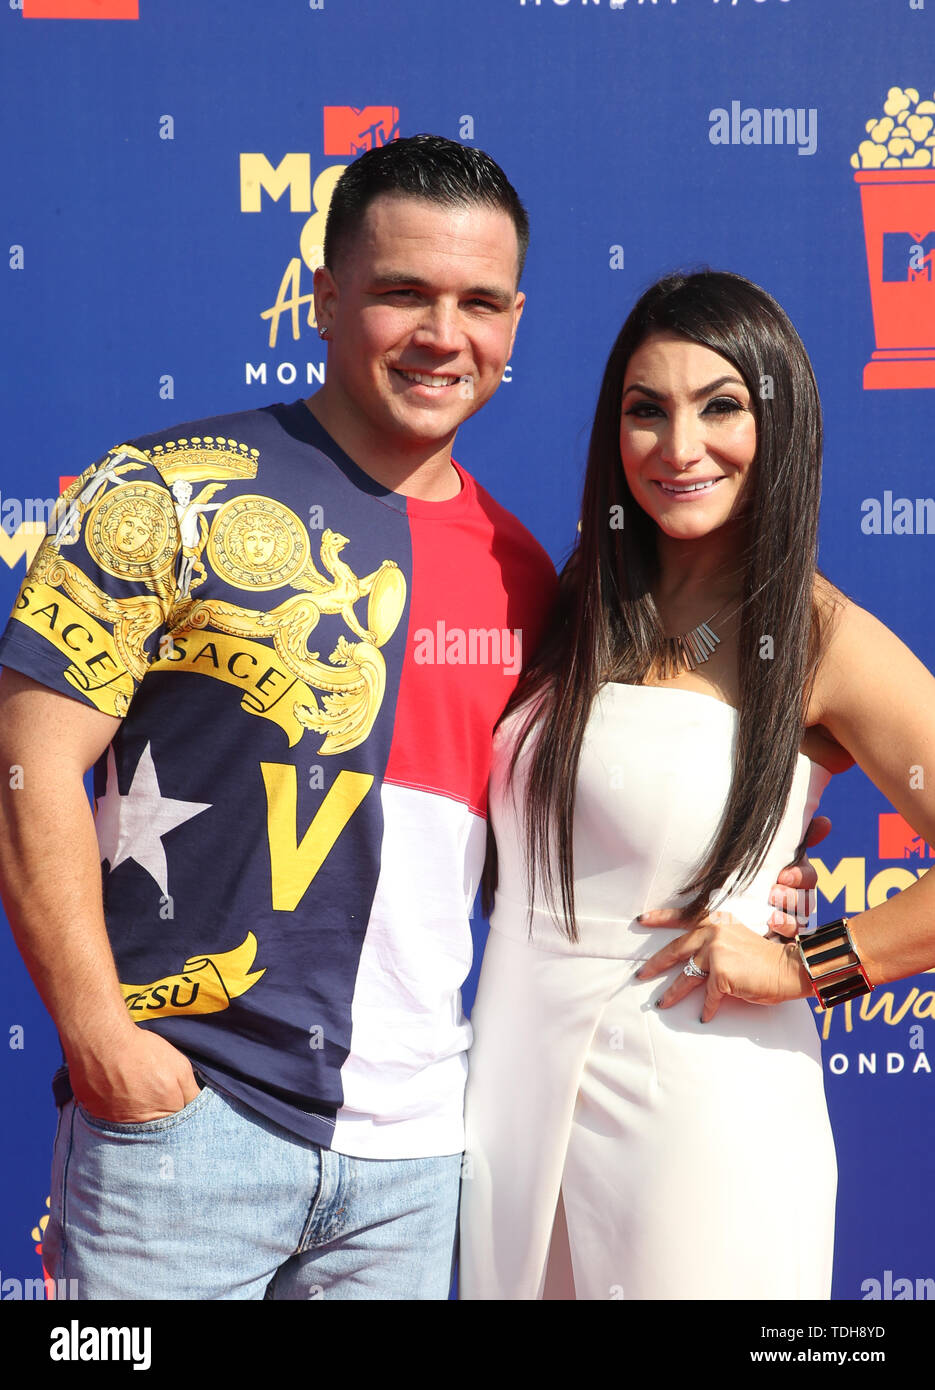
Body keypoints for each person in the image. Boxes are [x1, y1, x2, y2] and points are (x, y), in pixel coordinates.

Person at [0, 142, 820, 1302]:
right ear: (323, 297)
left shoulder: (531, 576)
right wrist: (102, 1045)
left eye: (479, 302)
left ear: (515, 323)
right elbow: (26, 770)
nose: (444, 334)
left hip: (421, 1168)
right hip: (183, 1134)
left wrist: (747, 876)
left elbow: (565, 820)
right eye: (402, 293)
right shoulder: (159, 492)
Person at [459, 269, 935, 1301]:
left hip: (700, 1096)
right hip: (507, 1079)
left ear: (779, 421)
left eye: (720, 406)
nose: (678, 448)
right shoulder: (578, 598)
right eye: (645, 410)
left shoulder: (817, 636)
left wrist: (809, 965)